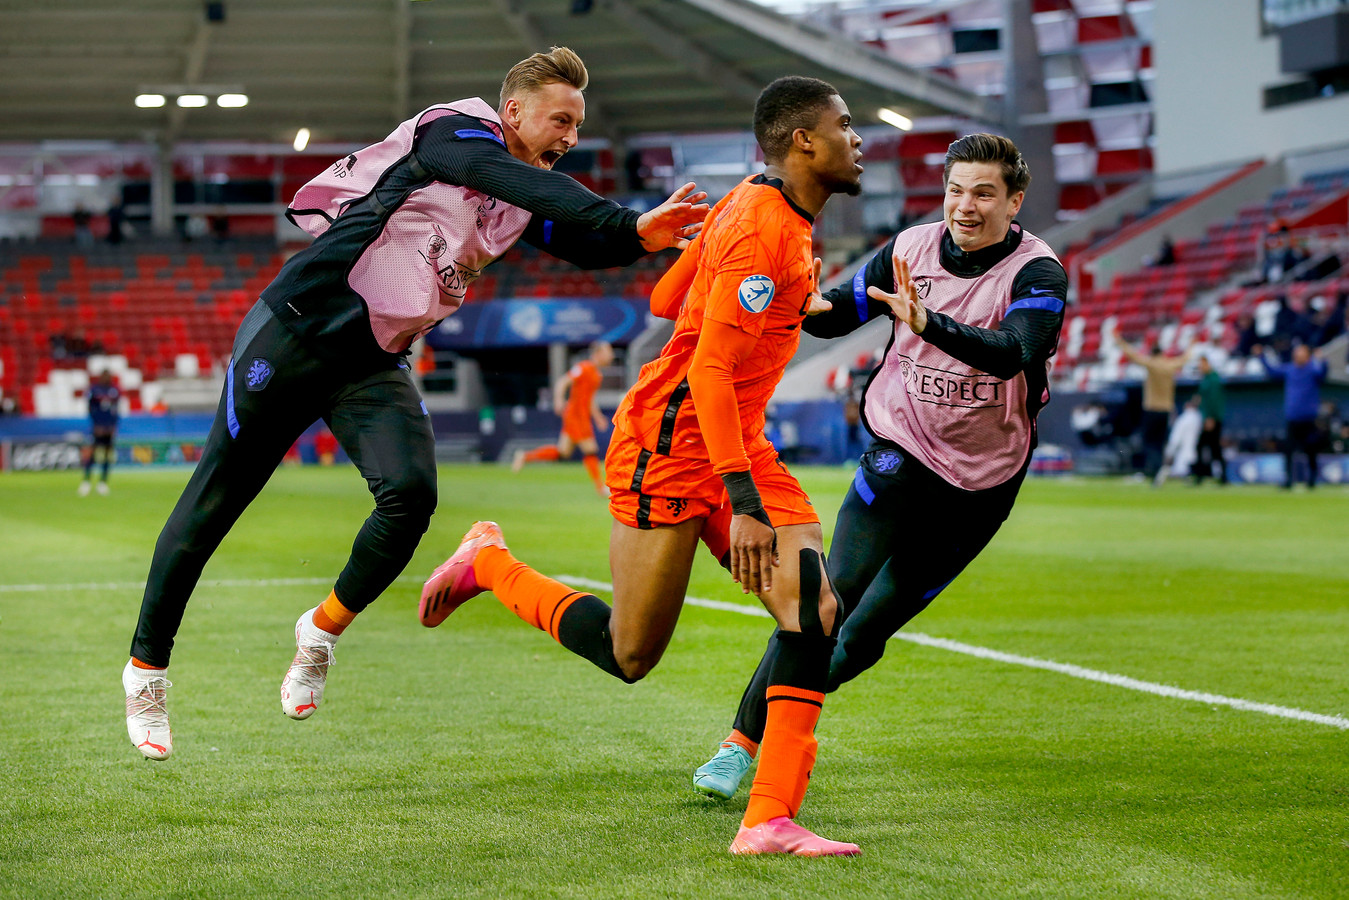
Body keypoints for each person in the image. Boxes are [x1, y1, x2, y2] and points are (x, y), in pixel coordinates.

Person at [120, 46, 709, 761]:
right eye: (562, 121)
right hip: (298, 330)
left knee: (410, 494)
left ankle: (320, 631)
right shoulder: (454, 133)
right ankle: (146, 672)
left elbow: (576, 238)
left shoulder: (526, 191)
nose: (571, 139)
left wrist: (637, 238)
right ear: (513, 110)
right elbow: (502, 179)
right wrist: (626, 222)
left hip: (370, 360)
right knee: (216, 500)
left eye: (577, 126)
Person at [420, 76, 866, 856]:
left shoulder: (758, 208)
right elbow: (708, 372)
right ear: (803, 141)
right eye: (845, 126)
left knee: (811, 610)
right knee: (629, 655)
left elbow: (664, 300)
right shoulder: (761, 227)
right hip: (672, 446)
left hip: (734, 441)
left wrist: (784, 303)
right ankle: (488, 563)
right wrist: (743, 497)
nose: (857, 140)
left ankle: (767, 819)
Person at [691, 133, 1067, 813]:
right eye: (955, 190)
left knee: (862, 638)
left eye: (984, 193)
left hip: (983, 483)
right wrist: (797, 300)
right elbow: (837, 315)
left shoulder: (1037, 274)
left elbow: (1014, 353)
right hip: (900, 447)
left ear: (1014, 201)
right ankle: (739, 747)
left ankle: (776, 726)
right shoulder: (909, 250)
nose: (965, 205)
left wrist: (928, 321)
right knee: (828, 598)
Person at [512, 340, 614, 495]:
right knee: (591, 449)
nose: (611, 356)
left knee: (563, 452)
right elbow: (562, 382)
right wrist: (558, 399)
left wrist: (598, 416)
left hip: (582, 416)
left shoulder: (596, 374)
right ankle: (600, 487)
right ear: (598, 353)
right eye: (608, 351)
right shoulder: (583, 367)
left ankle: (525, 456)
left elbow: (590, 399)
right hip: (575, 416)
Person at [1118, 337, 1191, 480]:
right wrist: (1192, 346)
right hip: (1166, 410)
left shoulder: (1151, 364)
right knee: (1160, 442)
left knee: (1148, 442)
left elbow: (1134, 355)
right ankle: (1160, 469)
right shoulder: (1170, 365)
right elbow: (1184, 359)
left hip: (1152, 409)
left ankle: (1155, 469)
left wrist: (1120, 341)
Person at [1257, 342, 1327, 488]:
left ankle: (1312, 480)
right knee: (1289, 450)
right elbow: (1272, 372)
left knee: (1310, 449)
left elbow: (1322, 375)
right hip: (1293, 417)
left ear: (1307, 355)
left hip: (1309, 418)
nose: (1298, 355)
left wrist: (1323, 361)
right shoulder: (1290, 369)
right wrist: (1261, 357)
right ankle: (1288, 480)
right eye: (1297, 352)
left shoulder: (1313, 370)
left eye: (1301, 352)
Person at [79, 371, 120, 496]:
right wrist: (96, 424)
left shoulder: (114, 390)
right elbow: (90, 408)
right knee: (92, 454)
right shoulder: (94, 390)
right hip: (98, 428)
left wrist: (113, 426)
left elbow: (116, 410)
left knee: (107, 455)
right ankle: (86, 481)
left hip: (109, 428)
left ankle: (103, 482)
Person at [1155, 394, 1202, 488]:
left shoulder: (1184, 418)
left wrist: (1170, 450)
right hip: (1193, 452)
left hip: (1182, 452)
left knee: (1172, 469)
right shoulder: (1198, 417)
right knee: (1186, 470)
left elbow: (1176, 437)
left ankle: (1159, 481)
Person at [1193, 354, 1227, 485]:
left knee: (1207, 447)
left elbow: (1214, 400)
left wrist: (1210, 417)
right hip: (1208, 417)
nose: (1200, 367)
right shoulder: (1207, 379)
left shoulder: (1213, 379)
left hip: (1212, 419)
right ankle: (1220, 476)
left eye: (1202, 364)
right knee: (1212, 448)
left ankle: (1202, 475)